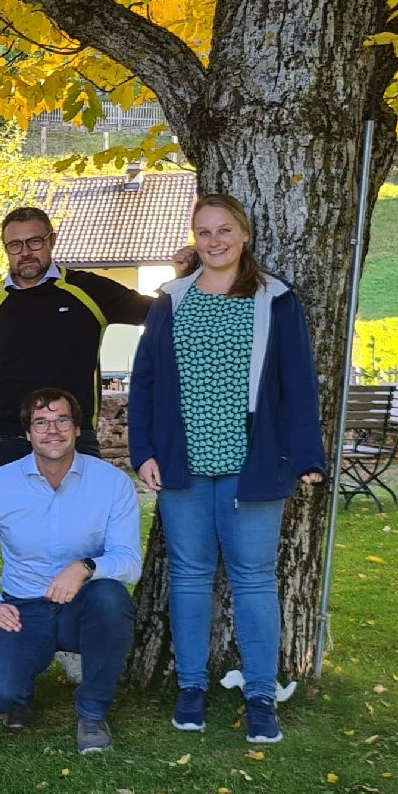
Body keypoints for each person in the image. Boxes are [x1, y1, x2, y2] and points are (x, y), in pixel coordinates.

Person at [130, 193, 327, 746]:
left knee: (253, 579)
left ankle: (261, 695)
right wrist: (144, 449)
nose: (213, 242)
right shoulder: (172, 300)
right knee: (190, 577)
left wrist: (307, 455)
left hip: (253, 465)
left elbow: (299, 384)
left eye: (224, 231)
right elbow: (145, 381)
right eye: (203, 232)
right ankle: (191, 687)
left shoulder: (276, 300)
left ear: (244, 236)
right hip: (182, 464)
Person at [0, 387, 141, 754]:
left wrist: (85, 567)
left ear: (76, 429)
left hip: (85, 604)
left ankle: (92, 712)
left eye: (61, 420)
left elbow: (129, 560)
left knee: (111, 597)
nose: (52, 430)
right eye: (41, 423)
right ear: (27, 434)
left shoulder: (112, 483)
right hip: (24, 607)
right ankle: (20, 692)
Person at [0, 206, 152, 463]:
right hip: (12, 441)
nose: (25, 252)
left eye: (34, 242)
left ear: (51, 241)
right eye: (15, 245)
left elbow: (155, 313)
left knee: (85, 505)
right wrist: (4, 419)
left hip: (76, 437)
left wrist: (187, 273)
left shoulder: (89, 290)